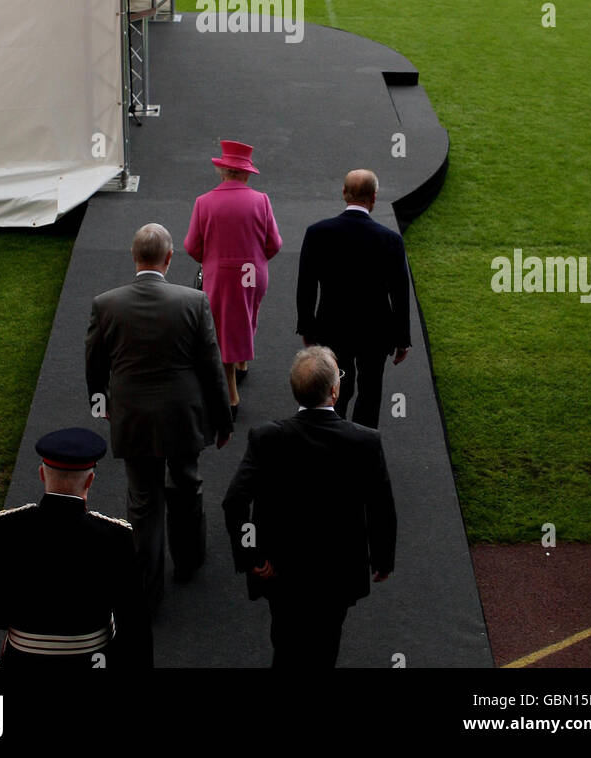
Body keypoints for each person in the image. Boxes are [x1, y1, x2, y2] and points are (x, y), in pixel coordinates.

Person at [85, 222, 233, 612]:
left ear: (134, 257)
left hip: (132, 418)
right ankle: (188, 562)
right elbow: (211, 368)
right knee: (186, 485)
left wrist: (101, 406)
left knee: (143, 498)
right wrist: (222, 421)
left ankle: (147, 587)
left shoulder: (106, 304)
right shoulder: (193, 302)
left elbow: (94, 366)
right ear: (170, 258)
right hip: (183, 417)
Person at [222, 346, 397, 669]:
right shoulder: (365, 441)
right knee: (326, 645)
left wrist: (252, 556)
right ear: (334, 391)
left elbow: (234, 501)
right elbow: (380, 507)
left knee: (285, 643)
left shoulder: (267, 438)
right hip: (337, 573)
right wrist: (383, 559)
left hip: (281, 569)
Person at [0, 427, 152, 668]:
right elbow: (134, 625)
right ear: (90, 480)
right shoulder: (115, 537)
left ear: (42, 475)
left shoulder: (6, 528)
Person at [295, 169, 410, 428]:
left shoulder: (318, 233)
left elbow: (306, 284)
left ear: (344, 194)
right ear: (374, 197)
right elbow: (400, 293)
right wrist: (402, 338)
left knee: (337, 386)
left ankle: (334, 437)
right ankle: (363, 444)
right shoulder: (390, 240)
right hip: (375, 331)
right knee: (370, 392)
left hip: (332, 327)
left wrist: (307, 326)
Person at [184, 140, 282, 418]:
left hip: (222, 277)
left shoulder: (204, 203)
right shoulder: (262, 200)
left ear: (223, 170)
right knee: (247, 316)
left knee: (223, 330)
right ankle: (241, 364)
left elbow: (192, 246)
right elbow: (274, 243)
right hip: (253, 274)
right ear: (247, 173)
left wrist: (212, 259)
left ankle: (231, 396)